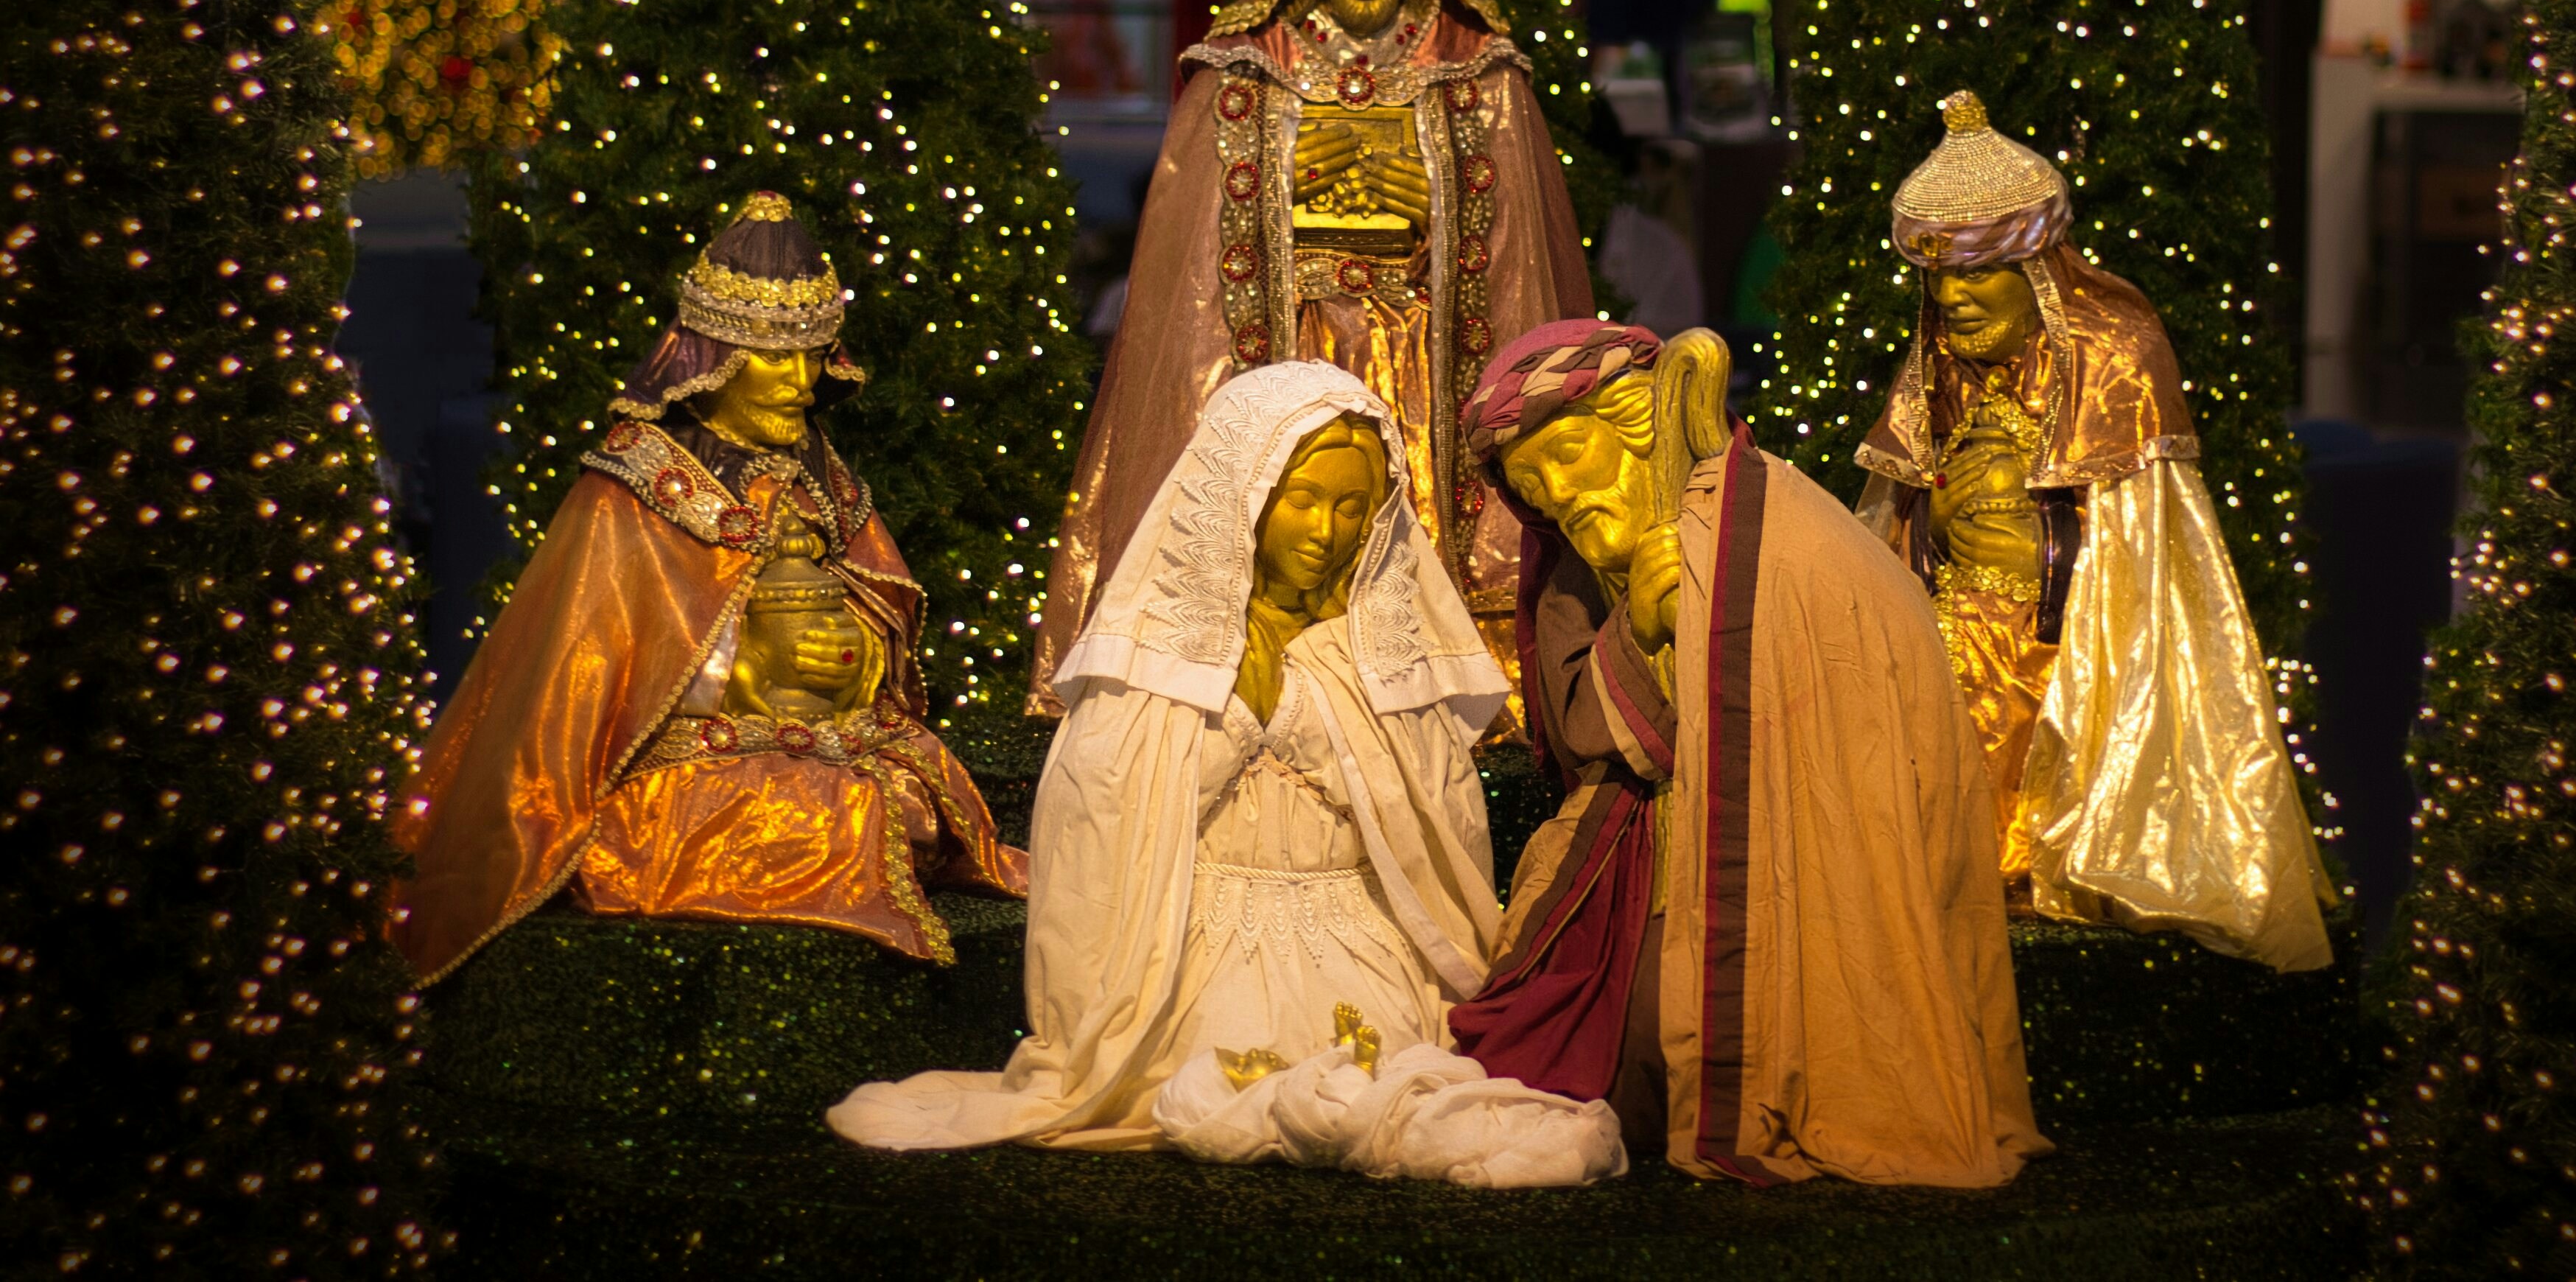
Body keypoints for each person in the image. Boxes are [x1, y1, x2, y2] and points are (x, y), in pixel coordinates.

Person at [830, 364, 1621, 1188]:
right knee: (1214, 1085)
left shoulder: (1380, 652)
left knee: (1382, 1086)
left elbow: (1430, 820)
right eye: (1303, 499)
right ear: (1246, 494)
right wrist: (1240, 706)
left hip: (1360, 936)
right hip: (1185, 943)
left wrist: (1314, 715)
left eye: (1353, 506)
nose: (1326, 530)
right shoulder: (1157, 649)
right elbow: (1102, 814)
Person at [1032, 0, 1594, 713]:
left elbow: (1518, 258)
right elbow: (1188, 263)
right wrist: (1274, 182)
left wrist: (1444, 201)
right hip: (1283, 358)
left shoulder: (1478, 70)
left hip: (1421, 367)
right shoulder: (1246, 71)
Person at [1442, 320, 2043, 1186]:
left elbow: (1821, 732)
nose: (1559, 494)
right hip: (1649, 842)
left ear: (1640, 426)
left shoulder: (1782, 538)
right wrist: (1637, 629)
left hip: (1810, 860)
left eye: (1570, 454)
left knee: (1679, 1034)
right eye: (1533, 483)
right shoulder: (1579, 571)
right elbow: (1584, 729)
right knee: (1564, 1039)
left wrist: (1686, 619)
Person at [387, 192, 1025, 984]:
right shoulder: (636, 487)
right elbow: (592, 675)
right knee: (838, 817)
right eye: (777, 358)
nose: (802, 382)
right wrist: (748, 673)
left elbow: (872, 604)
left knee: (914, 791)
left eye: (814, 356)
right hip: (696, 760)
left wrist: (854, 656)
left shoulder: (817, 473)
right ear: (715, 360)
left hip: (825, 739)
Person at [1856, 92, 2334, 971]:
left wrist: (2043, 555)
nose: (1952, 299)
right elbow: (1899, 522)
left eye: (1976, 274)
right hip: (1950, 658)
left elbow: (2147, 567)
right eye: (1937, 278)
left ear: (2036, 268)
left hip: (2073, 665)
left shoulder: (2112, 358)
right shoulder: (1938, 364)